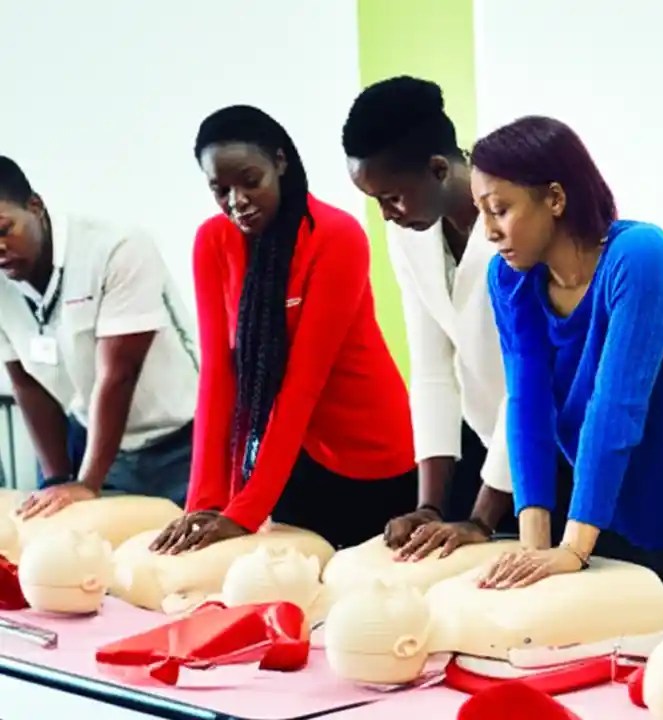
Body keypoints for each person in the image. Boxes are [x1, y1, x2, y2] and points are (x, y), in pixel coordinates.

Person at [470, 115, 663, 628]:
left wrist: (573, 551)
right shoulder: (510, 279)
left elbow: (616, 407)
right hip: (606, 523)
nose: (489, 231)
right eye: (482, 212)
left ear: (555, 200)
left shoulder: (640, 256)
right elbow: (528, 407)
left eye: (500, 209)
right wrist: (534, 550)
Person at [150, 105, 418, 554]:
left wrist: (243, 510)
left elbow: (301, 386)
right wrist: (204, 502)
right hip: (296, 457)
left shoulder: (337, 236)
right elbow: (218, 376)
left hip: (372, 456)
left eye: (250, 181)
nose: (237, 201)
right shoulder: (213, 242)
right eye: (220, 190)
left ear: (280, 162)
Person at [342, 76, 516, 560]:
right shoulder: (412, 233)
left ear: (440, 169)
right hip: (489, 446)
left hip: (553, 446)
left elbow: (529, 390)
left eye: (392, 197)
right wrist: (429, 507)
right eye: (375, 201)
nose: (387, 216)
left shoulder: (516, 229)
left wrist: (481, 519)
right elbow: (433, 372)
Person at [0, 156, 198, 516]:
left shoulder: (116, 247)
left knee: (186, 558)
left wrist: (88, 483)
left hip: (182, 443)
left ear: (36, 206)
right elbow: (26, 383)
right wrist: (57, 478)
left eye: (3, 229)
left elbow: (119, 374)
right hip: (98, 441)